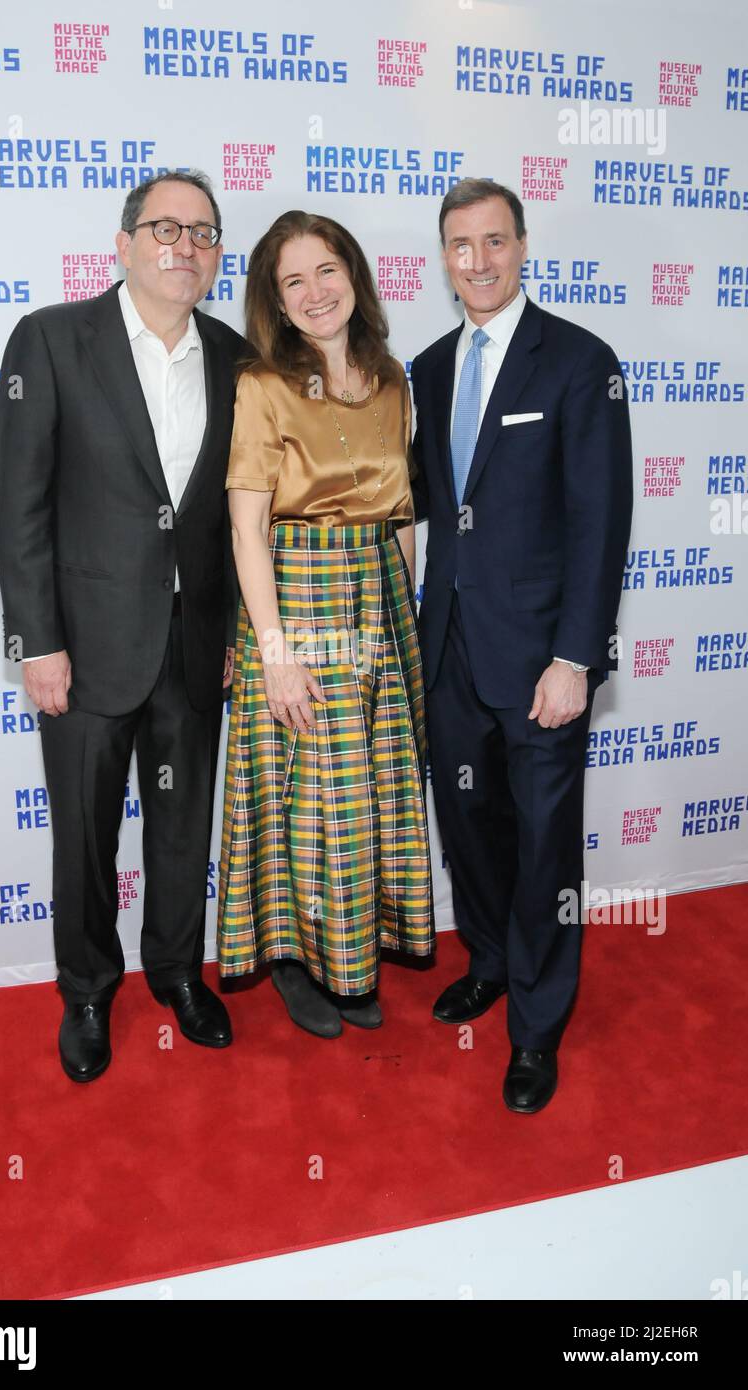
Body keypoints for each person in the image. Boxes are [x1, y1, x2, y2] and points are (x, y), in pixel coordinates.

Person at [0, 170, 247, 1081]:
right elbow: (19, 506)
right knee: (85, 834)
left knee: (183, 825)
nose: (185, 245)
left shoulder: (234, 355)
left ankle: (177, 970)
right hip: (86, 644)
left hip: (194, 642)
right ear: (125, 242)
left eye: (204, 232)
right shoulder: (54, 339)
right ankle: (89, 990)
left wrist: (233, 634)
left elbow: (236, 513)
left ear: (218, 255)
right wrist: (38, 640)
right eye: (165, 227)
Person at [411, 178, 632, 1112]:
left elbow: (600, 519)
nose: (478, 261)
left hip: (542, 658)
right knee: (469, 827)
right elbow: (424, 512)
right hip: (449, 648)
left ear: (523, 244)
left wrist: (575, 659)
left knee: (544, 846)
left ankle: (536, 1028)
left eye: (494, 241)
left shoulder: (579, 360)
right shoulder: (425, 366)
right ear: (443, 258)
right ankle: (493, 960)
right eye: (460, 246)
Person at [217, 210, 434, 1037]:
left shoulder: (390, 378)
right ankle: (294, 960)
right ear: (275, 300)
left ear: (355, 275)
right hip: (298, 596)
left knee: (372, 788)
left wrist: (403, 614)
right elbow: (247, 527)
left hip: (379, 591)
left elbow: (404, 510)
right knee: (309, 793)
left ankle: (355, 952)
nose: (314, 293)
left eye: (327, 271)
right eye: (292, 281)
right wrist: (272, 652)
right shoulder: (263, 385)